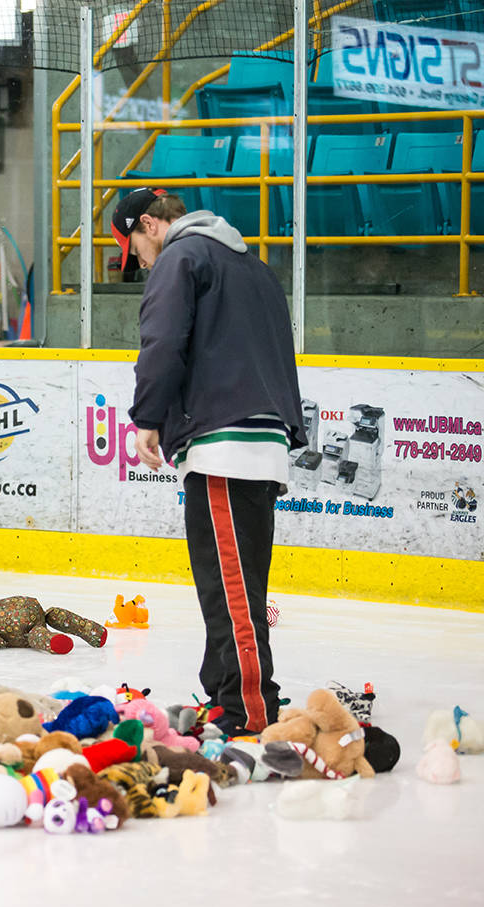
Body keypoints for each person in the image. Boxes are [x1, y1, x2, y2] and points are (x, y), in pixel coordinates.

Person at [114, 187, 306, 736]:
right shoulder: (253, 267)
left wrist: (148, 417)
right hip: (259, 440)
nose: (140, 263)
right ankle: (224, 691)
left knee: (231, 590)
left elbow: (162, 341)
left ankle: (248, 707)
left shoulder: (181, 258)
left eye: (135, 249)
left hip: (225, 444)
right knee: (234, 585)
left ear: (149, 224)